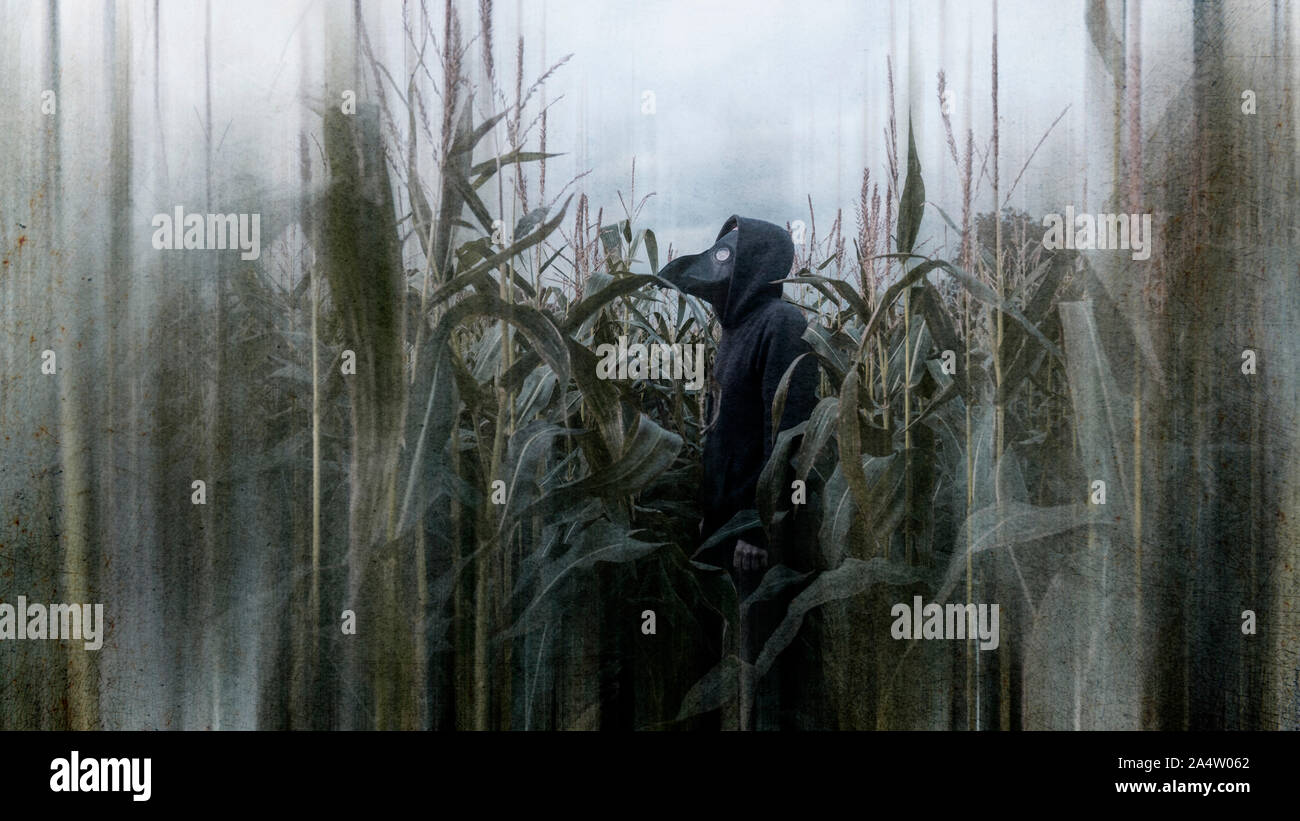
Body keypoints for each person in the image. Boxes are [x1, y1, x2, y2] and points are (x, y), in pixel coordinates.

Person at [659, 215, 820, 727]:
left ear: (755, 267)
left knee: (758, 667)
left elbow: (789, 433)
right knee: (729, 658)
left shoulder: (781, 325)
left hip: (754, 539)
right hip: (724, 530)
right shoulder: (734, 333)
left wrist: (758, 525)